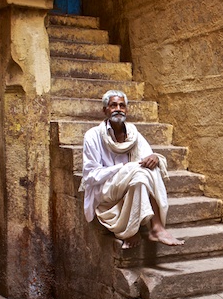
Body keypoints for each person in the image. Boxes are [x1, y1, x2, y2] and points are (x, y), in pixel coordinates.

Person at [79, 90, 185, 249]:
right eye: (113, 105)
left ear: (126, 110)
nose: (118, 109)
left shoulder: (133, 135)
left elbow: (147, 158)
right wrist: (123, 169)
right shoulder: (93, 136)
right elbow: (91, 176)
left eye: (122, 105)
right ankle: (144, 228)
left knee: (146, 172)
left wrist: (154, 158)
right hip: (105, 188)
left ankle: (153, 229)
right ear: (105, 110)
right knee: (137, 171)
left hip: (132, 183)